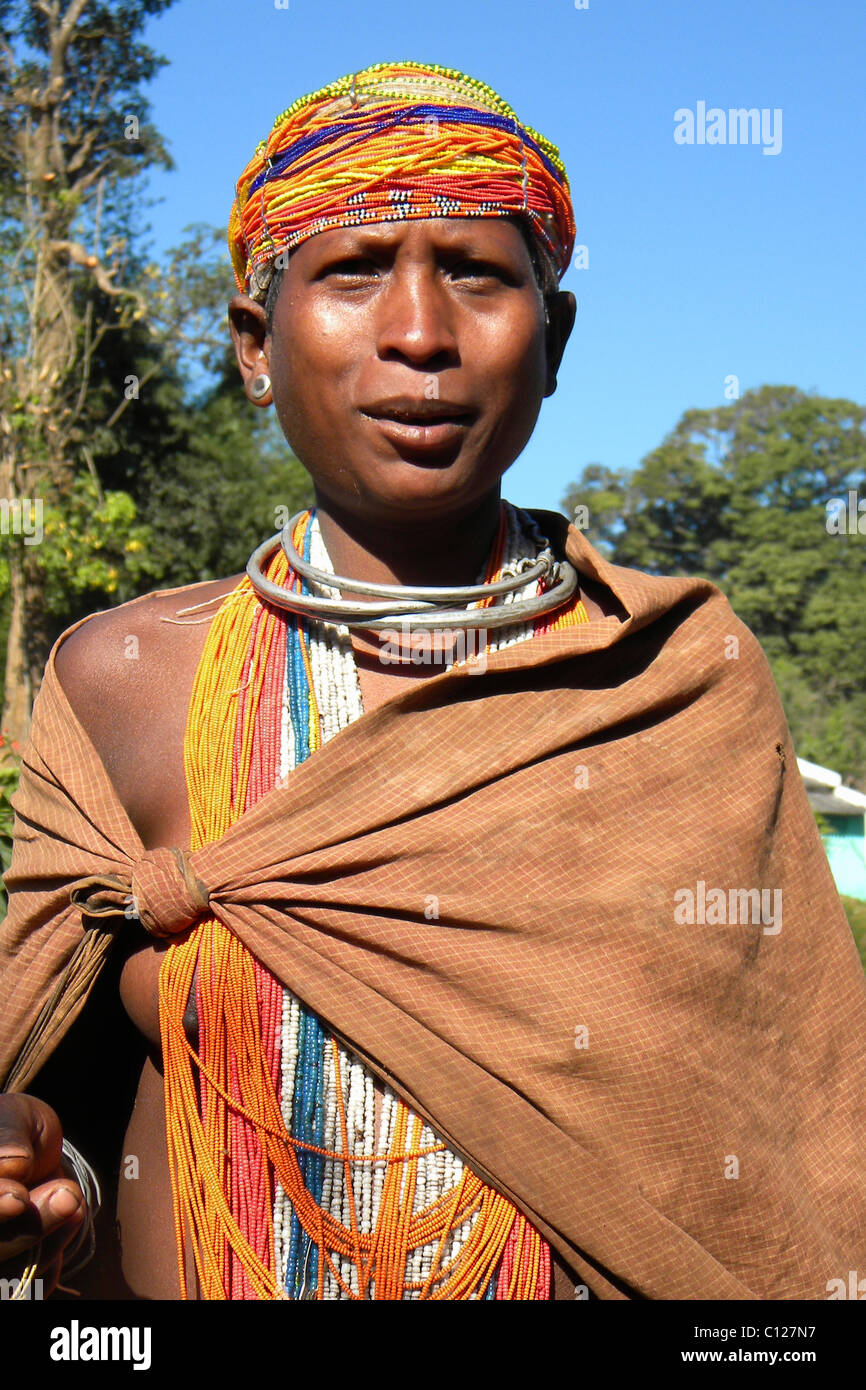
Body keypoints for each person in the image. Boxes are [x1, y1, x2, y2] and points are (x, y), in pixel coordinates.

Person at [1, 60, 865, 1303]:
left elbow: (779, 1147)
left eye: (476, 272)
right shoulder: (129, 685)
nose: (420, 331)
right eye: (353, 271)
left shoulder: (669, 679)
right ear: (254, 345)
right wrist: (42, 1188)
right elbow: (60, 1106)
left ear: (553, 339)